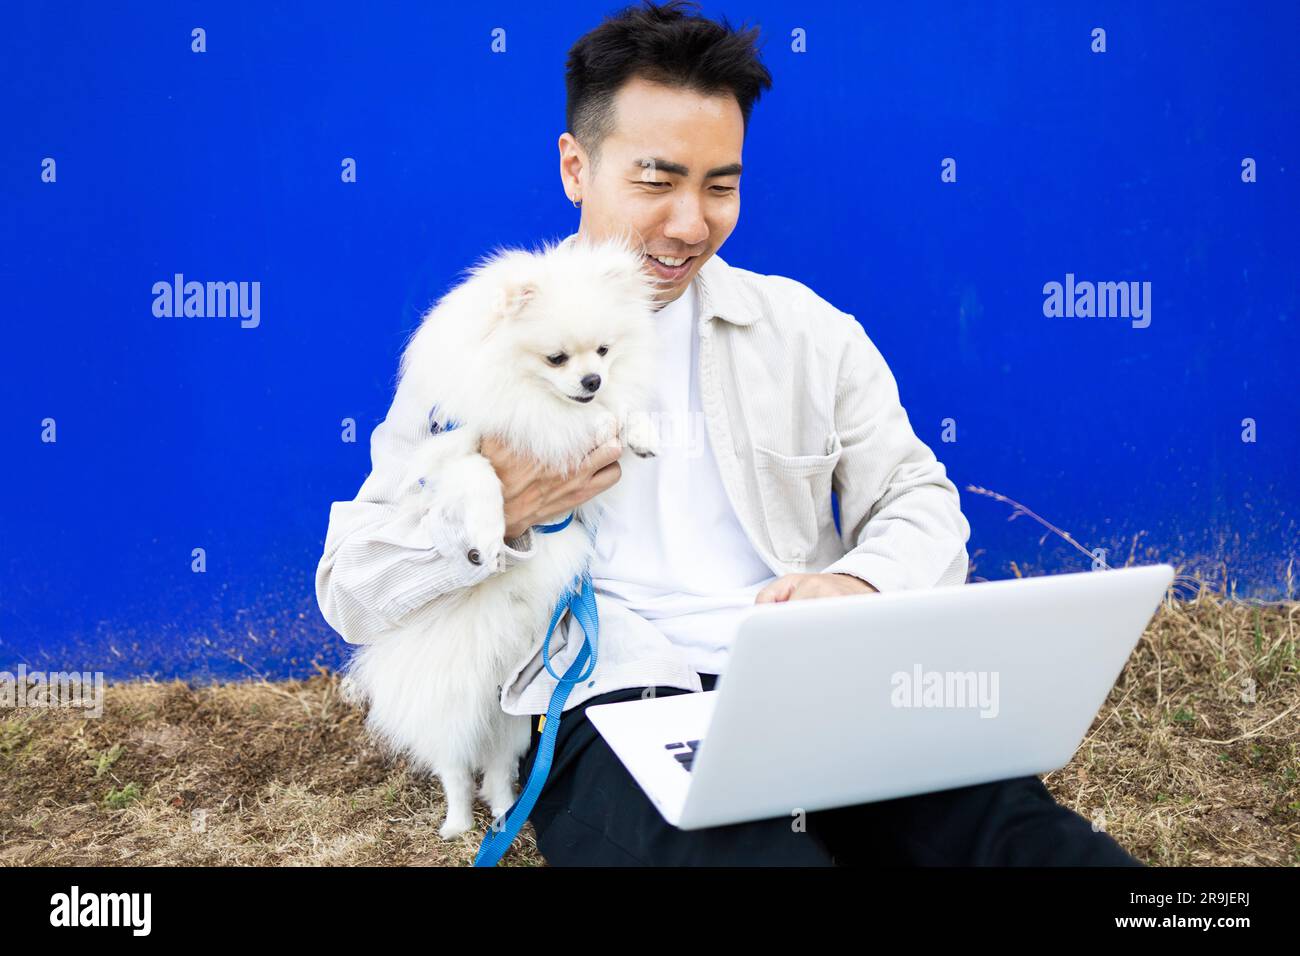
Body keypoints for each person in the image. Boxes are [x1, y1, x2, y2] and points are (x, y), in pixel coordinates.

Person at [316, 0, 1142, 866]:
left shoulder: (806, 332)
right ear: (575, 167)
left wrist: (859, 585)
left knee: (1019, 841)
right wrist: (497, 513)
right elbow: (351, 588)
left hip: (815, 680)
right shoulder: (481, 352)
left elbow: (917, 499)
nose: (689, 223)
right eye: (656, 180)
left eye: (721, 185)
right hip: (610, 703)